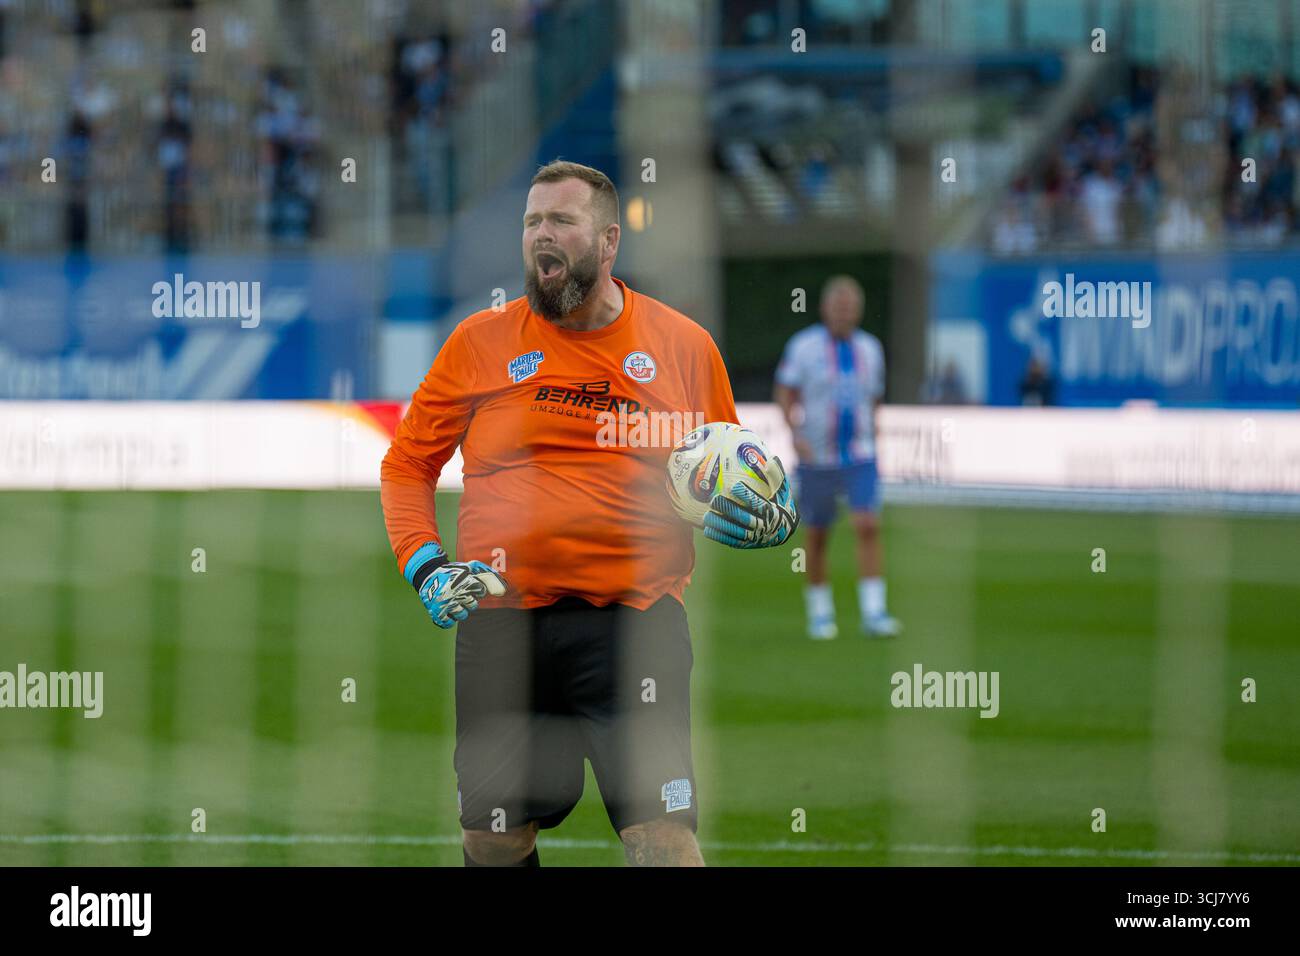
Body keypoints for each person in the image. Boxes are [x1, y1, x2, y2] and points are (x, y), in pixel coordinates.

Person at [380, 160, 798, 867]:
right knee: (492, 838)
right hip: (501, 625)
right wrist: (424, 564)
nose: (542, 236)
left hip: (635, 626)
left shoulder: (684, 348)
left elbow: (735, 470)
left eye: (561, 222)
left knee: (661, 836)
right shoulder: (478, 344)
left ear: (608, 243)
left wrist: (770, 519)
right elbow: (406, 466)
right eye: (531, 223)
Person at [774, 275, 900, 640]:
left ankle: (874, 611)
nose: (844, 313)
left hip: (860, 454)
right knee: (817, 534)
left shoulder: (870, 348)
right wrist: (795, 434)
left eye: (850, 306)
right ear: (825, 308)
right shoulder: (804, 346)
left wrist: (874, 428)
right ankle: (820, 613)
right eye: (838, 305)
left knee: (868, 525)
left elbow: (874, 396)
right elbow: (785, 390)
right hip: (818, 457)